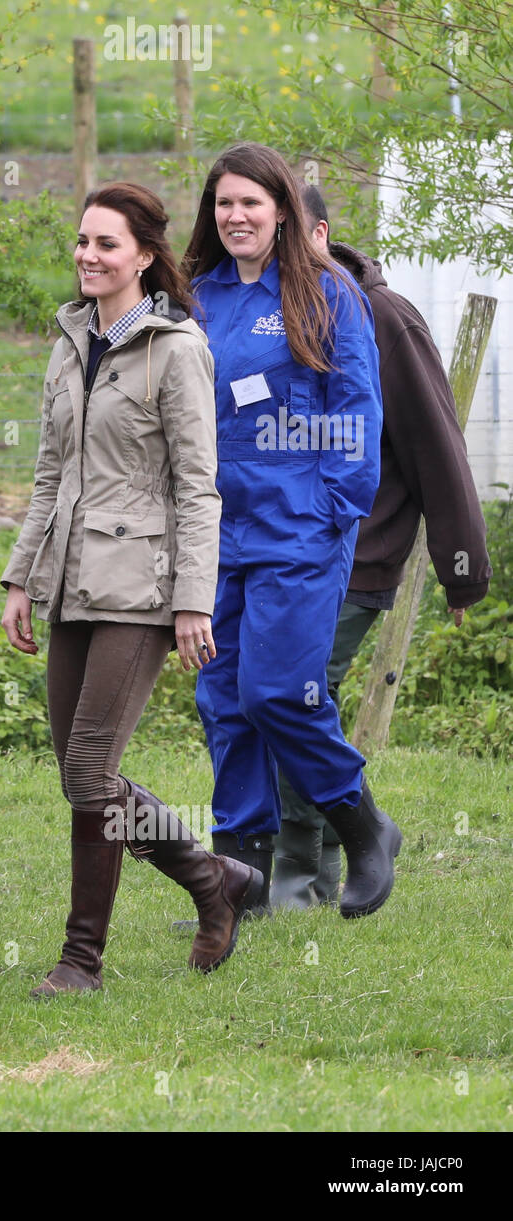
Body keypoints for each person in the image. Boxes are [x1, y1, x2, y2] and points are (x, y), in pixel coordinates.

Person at [1, 182, 262, 998]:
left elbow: (199, 486)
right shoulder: (68, 337)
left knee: (88, 769)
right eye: (81, 241)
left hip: (142, 589)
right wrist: (20, 577)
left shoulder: (176, 349)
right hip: (70, 585)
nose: (87, 256)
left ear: (143, 256)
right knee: (80, 775)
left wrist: (193, 599)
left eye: (105, 244)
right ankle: (212, 876)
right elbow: (49, 475)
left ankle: (82, 960)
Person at [183, 143, 401, 919]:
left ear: (281, 210)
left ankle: (365, 825)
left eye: (251, 201)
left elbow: (356, 410)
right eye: (223, 203)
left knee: (280, 691)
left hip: (301, 528)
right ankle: (238, 884)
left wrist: (335, 508)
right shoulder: (197, 298)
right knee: (224, 701)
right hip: (218, 535)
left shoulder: (328, 295)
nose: (235, 215)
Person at [270, 185, 492, 907]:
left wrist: (462, 568)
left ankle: (306, 874)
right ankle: (297, 868)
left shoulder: (384, 317)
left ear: (321, 235)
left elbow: (438, 445)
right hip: (278, 549)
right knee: (279, 699)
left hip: (356, 557)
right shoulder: (269, 318)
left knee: (295, 694)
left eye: (285, 233)